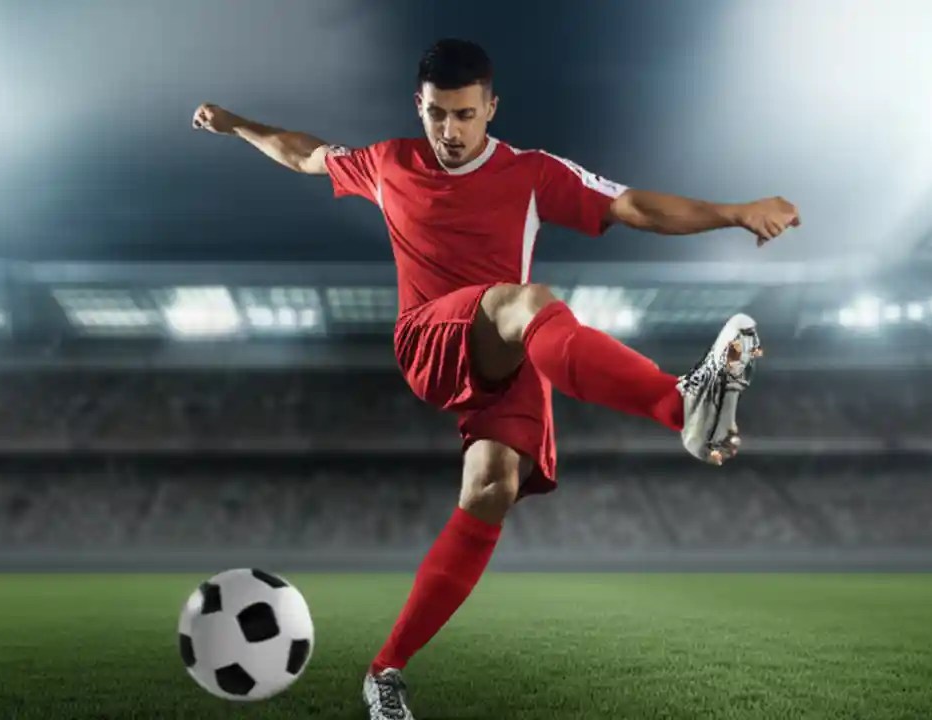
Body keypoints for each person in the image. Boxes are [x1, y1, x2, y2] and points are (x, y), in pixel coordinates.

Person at [193, 38, 799, 720]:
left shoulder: (533, 174)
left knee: (489, 489)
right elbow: (305, 153)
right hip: (432, 338)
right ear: (418, 107)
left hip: (514, 354)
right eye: (437, 115)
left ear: (491, 109)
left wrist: (736, 212)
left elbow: (632, 206)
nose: (450, 132)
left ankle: (384, 671)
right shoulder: (388, 163)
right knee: (526, 298)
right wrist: (238, 123)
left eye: (465, 115)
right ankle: (680, 403)